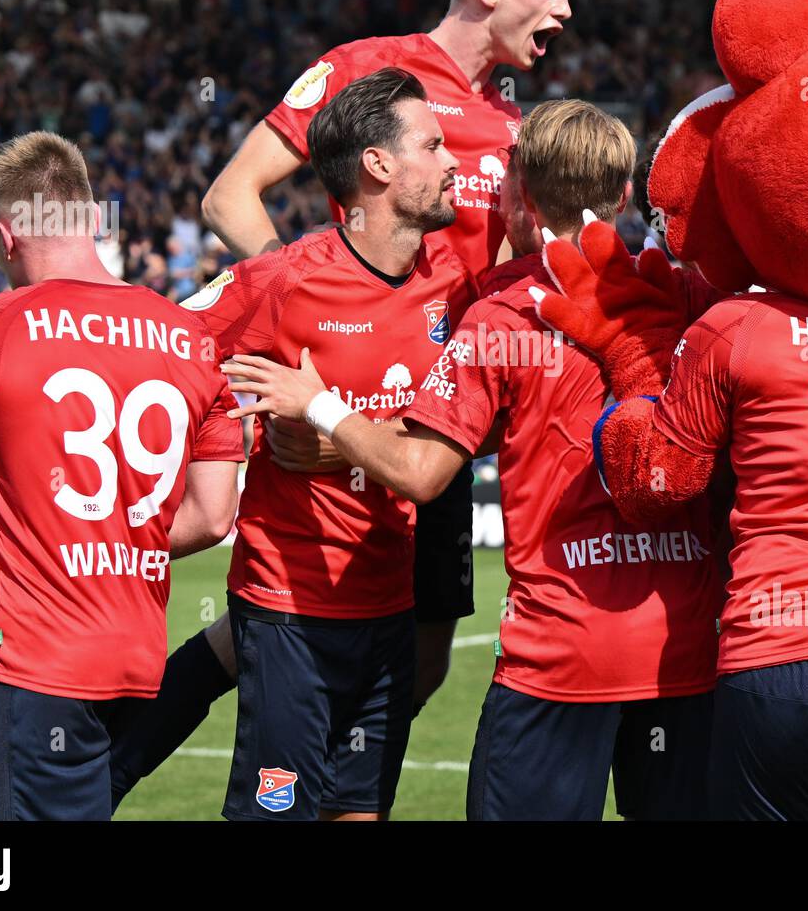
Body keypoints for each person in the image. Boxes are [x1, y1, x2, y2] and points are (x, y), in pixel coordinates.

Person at [219, 100, 722, 820]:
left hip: (563, 656)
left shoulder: (505, 317)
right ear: (619, 195)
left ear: (517, 191)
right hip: (683, 652)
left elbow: (425, 472)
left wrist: (321, 406)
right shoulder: (688, 298)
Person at [196, 0, 582, 734]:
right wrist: (315, 341)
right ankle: (121, 750)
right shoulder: (370, 70)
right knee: (281, 630)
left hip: (437, 429)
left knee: (423, 657)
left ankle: (328, 783)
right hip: (346, 411)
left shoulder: (514, 128)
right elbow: (230, 195)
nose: (564, 10)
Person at [0, 132, 243, 820]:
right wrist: (117, 551)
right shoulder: (189, 337)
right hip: (134, 656)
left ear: (5, 236)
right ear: (94, 218)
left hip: (39, 659)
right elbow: (214, 516)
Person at [206, 68, 475, 820]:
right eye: (434, 143)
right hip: (291, 611)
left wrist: (334, 428)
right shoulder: (282, 282)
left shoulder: (455, 285)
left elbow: (468, 426)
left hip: (392, 604)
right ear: (379, 166)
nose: (455, 159)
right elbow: (161, 350)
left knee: (358, 813)